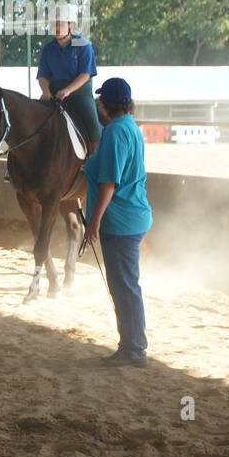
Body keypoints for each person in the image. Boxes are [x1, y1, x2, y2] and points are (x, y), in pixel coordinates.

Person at [84, 77, 152, 368]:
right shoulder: (130, 128)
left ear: (104, 104)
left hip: (121, 221)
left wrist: (93, 222)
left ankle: (134, 349)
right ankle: (131, 345)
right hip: (132, 216)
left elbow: (109, 183)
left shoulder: (113, 132)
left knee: (124, 286)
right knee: (125, 285)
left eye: (99, 100)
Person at [37, 1, 100, 151]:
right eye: (53, 25)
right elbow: (42, 76)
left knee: (93, 129)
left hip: (79, 94)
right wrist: (46, 92)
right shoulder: (48, 49)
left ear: (71, 25)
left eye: (60, 24)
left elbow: (85, 74)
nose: (56, 28)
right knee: (32, 120)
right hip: (53, 94)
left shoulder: (83, 45)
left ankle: (95, 160)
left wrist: (68, 91)